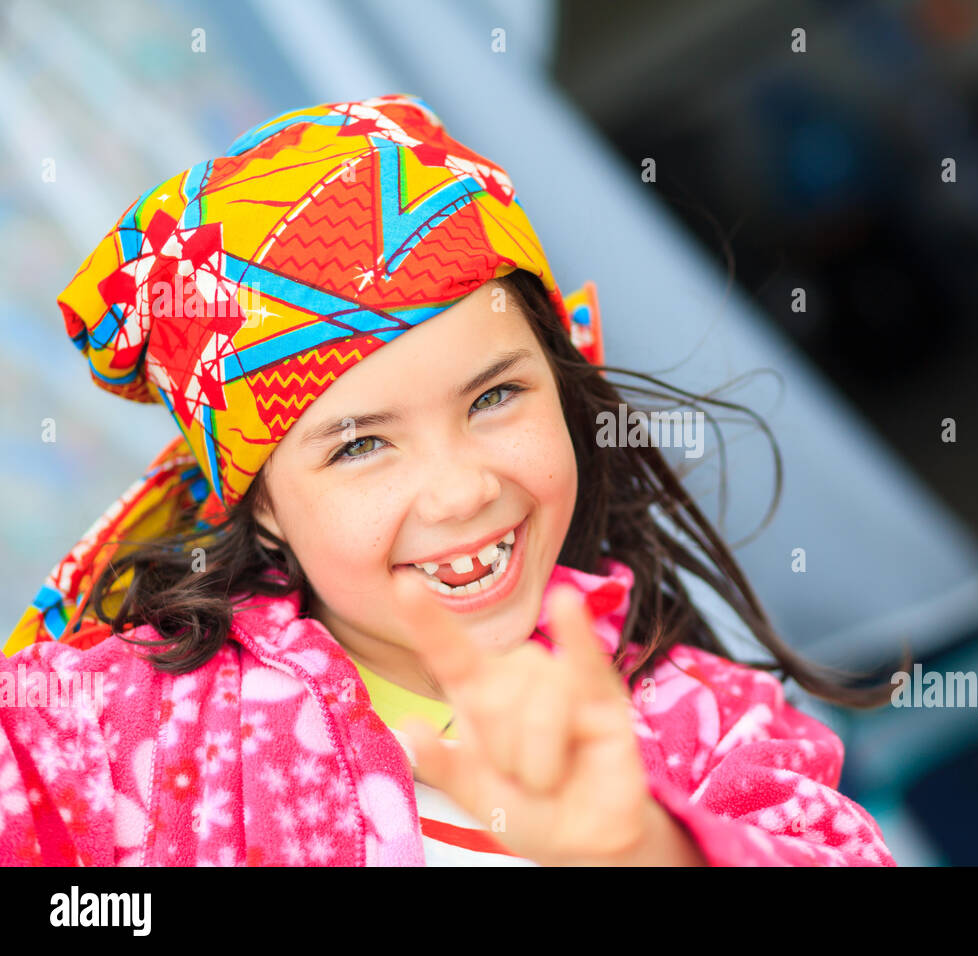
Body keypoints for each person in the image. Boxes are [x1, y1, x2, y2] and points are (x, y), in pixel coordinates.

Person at [0, 94, 900, 866]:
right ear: (261, 504)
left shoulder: (696, 718)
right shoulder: (123, 734)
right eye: (359, 445)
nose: (462, 490)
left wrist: (644, 849)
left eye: (495, 396)